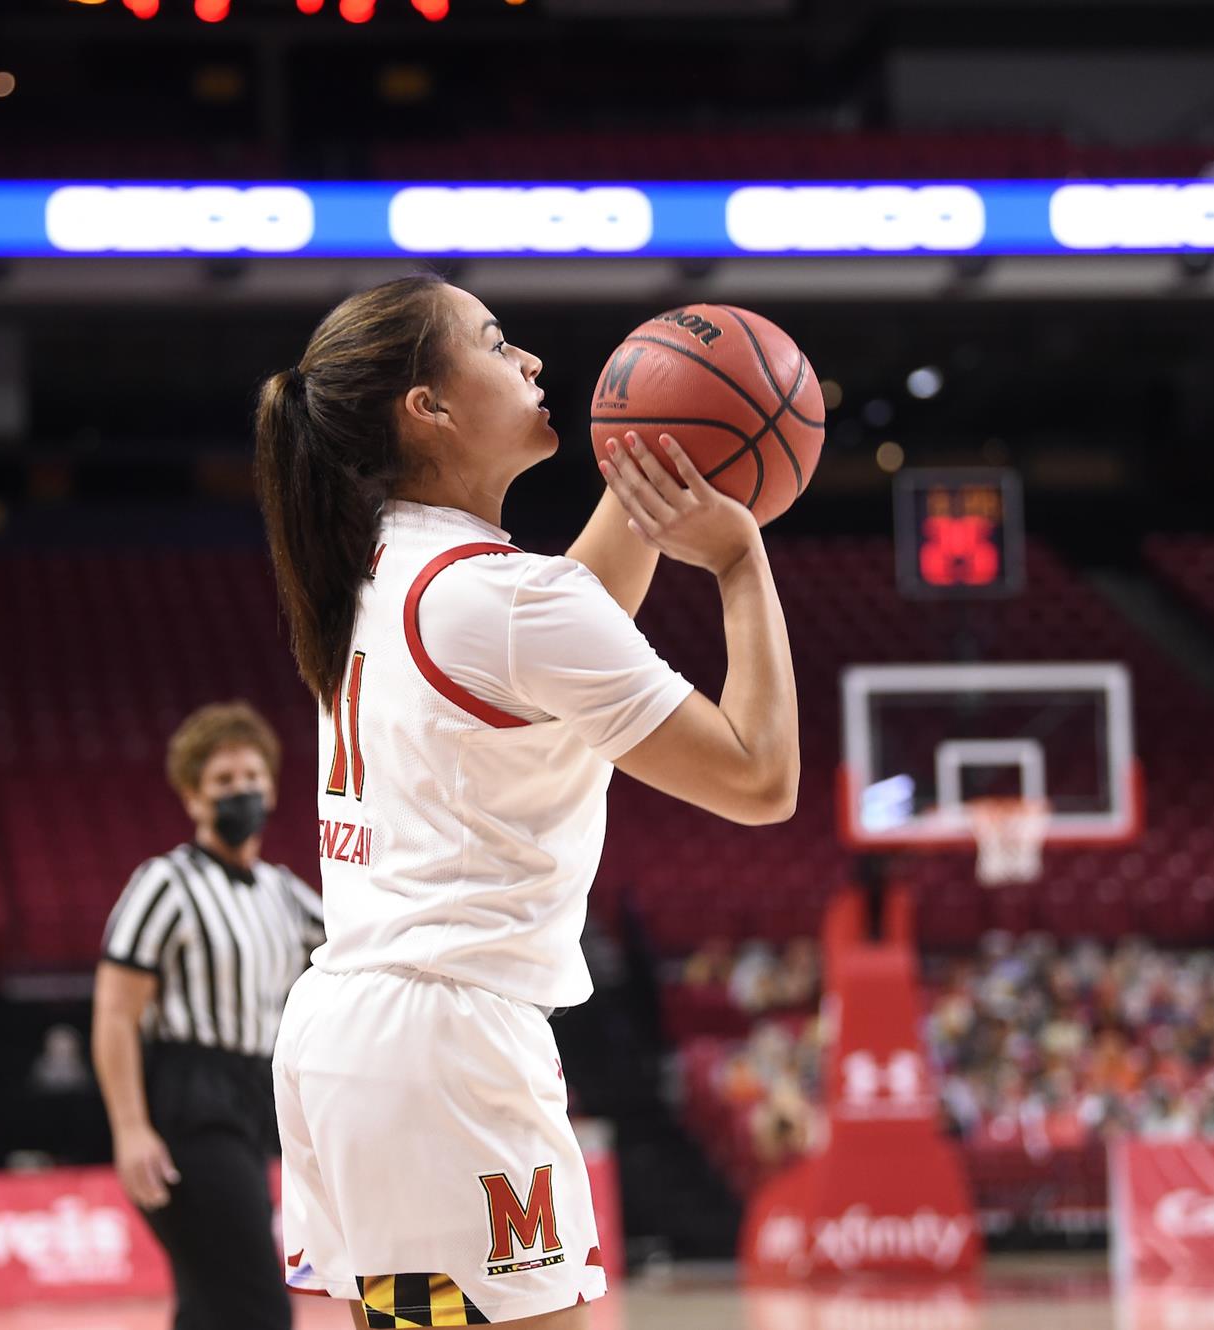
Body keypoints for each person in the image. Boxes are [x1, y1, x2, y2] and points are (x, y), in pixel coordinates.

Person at [255, 275, 799, 1327]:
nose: (532, 363)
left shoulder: (383, 567)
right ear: (429, 407)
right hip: (444, 1046)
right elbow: (758, 778)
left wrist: (644, 467)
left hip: (354, 1033)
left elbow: (567, 624)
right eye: (496, 344)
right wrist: (738, 561)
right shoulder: (501, 600)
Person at [91, 701, 326, 1330]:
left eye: (252, 778)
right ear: (193, 798)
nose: (241, 791)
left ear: (273, 789)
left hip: (254, 1102)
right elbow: (115, 1013)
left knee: (209, 1305)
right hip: (191, 1106)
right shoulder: (164, 883)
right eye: (223, 782)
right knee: (257, 1305)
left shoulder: (282, 891)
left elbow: (352, 946)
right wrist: (130, 1129)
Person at [30, 1024, 92, 1093]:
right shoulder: (40, 1067)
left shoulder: (80, 1069)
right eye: (58, 1044)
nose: (62, 1048)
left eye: (65, 1044)